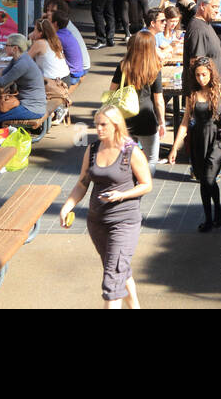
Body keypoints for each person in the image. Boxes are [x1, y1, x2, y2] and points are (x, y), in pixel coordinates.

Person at [59, 106, 151, 308]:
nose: (98, 129)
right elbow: (82, 183)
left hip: (124, 222)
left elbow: (147, 184)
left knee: (111, 280)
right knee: (118, 270)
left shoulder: (131, 151)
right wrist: (67, 206)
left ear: (116, 125)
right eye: (96, 125)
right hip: (97, 222)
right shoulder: (92, 150)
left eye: (103, 125)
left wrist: (122, 195)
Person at [168, 57, 221, 231]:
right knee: (204, 181)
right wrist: (175, 147)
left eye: (204, 74)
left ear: (211, 73)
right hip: (198, 140)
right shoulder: (192, 95)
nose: (201, 78)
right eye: (197, 75)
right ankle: (209, 217)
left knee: (210, 178)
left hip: (217, 140)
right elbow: (185, 122)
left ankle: (217, 208)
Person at [113, 32, 166, 168]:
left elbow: (112, 91)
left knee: (125, 158)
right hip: (146, 117)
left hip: (125, 117)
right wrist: (161, 122)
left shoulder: (123, 66)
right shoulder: (155, 69)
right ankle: (143, 185)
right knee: (151, 160)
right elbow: (158, 100)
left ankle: (128, 184)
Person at [0, 33, 47, 129]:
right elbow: (4, 74)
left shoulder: (22, 63)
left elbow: (0, 83)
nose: (4, 47)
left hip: (32, 108)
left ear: (15, 48)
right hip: (26, 103)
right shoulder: (19, 58)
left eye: (7, 45)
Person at [183, 0, 221, 97]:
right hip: (206, 94)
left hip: (215, 88)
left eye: (217, 7)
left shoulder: (205, 23)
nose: (217, 11)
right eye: (214, 7)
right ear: (202, 6)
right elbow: (197, 63)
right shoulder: (198, 30)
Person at [46, 0, 88, 85]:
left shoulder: (57, 36)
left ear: (55, 24)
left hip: (72, 76)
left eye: (52, 11)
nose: (48, 14)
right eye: (47, 10)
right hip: (78, 71)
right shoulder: (66, 31)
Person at [28, 17, 71, 83]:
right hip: (66, 78)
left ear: (40, 33)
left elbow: (25, 60)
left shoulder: (40, 43)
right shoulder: (55, 41)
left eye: (35, 30)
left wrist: (30, 38)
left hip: (54, 82)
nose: (33, 32)